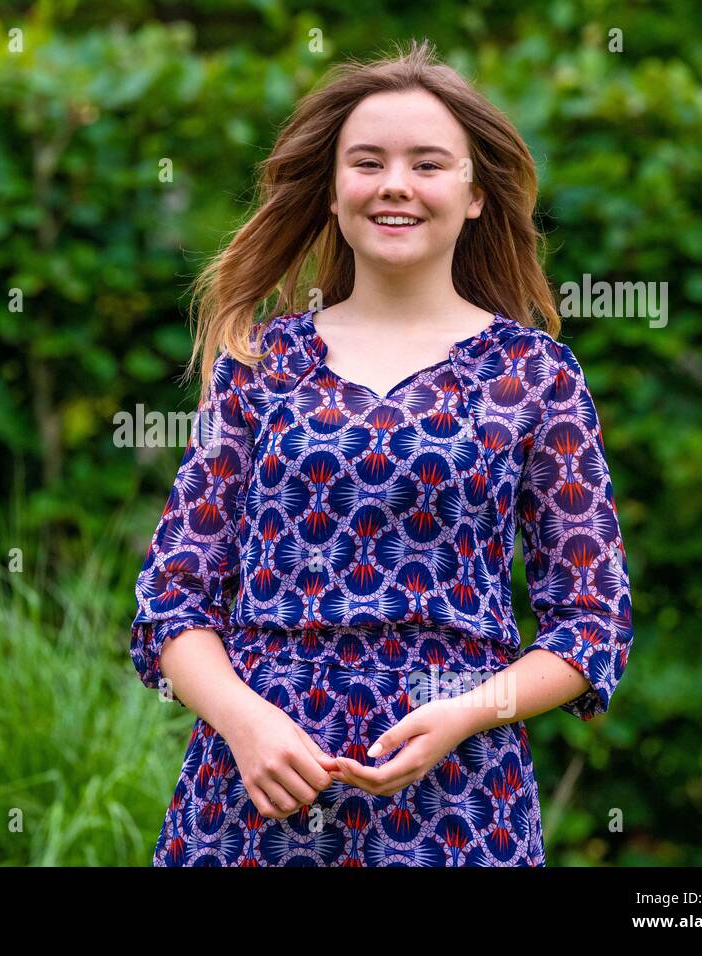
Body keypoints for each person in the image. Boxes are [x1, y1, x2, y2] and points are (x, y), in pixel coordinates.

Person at [129, 39, 634, 866]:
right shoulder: (260, 364)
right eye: (368, 162)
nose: (395, 183)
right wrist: (245, 724)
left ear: (475, 195)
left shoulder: (536, 376)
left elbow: (592, 621)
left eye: (428, 164)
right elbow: (172, 597)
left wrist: (474, 710)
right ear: (334, 191)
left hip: (462, 799)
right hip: (255, 797)